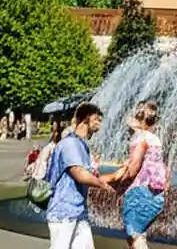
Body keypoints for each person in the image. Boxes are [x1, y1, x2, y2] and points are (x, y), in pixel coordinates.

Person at [45, 103, 118, 249]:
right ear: (85, 119)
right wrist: (102, 185)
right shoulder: (70, 144)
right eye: (96, 119)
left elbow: (88, 174)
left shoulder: (80, 144)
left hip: (78, 212)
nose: (98, 124)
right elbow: (80, 174)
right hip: (64, 212)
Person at [103, 101, 168, 249]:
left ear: (137, 118)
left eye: (132, 116)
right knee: (137, 236)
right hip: (155, 194)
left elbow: (133, 169)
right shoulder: (155, 139)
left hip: (139, 193)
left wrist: (115, 184)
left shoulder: (140, 139)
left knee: (136, 239)